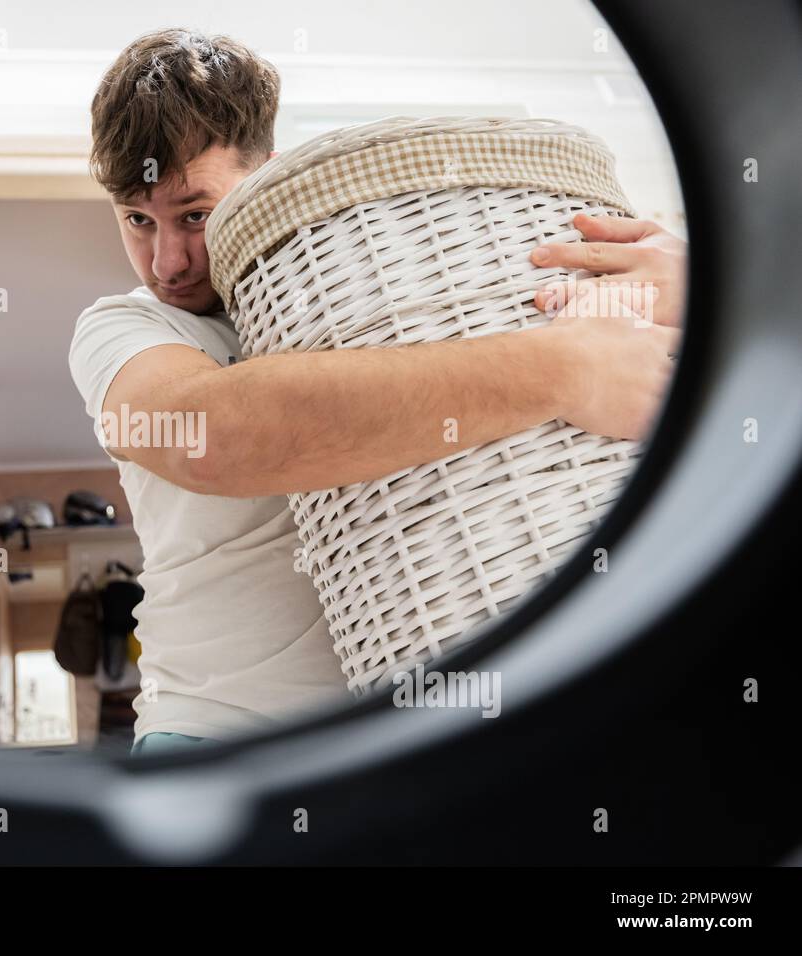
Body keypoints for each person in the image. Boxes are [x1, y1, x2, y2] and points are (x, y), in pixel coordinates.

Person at [68, 29, 686, 758]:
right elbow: (211, 436)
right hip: (216, 745)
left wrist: (685, 294)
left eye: (194, 215)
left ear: (265, 175)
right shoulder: (123, 327)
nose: (166, 261)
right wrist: (565, 368)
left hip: (416, 740)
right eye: (137, 220)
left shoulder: (354, 294)